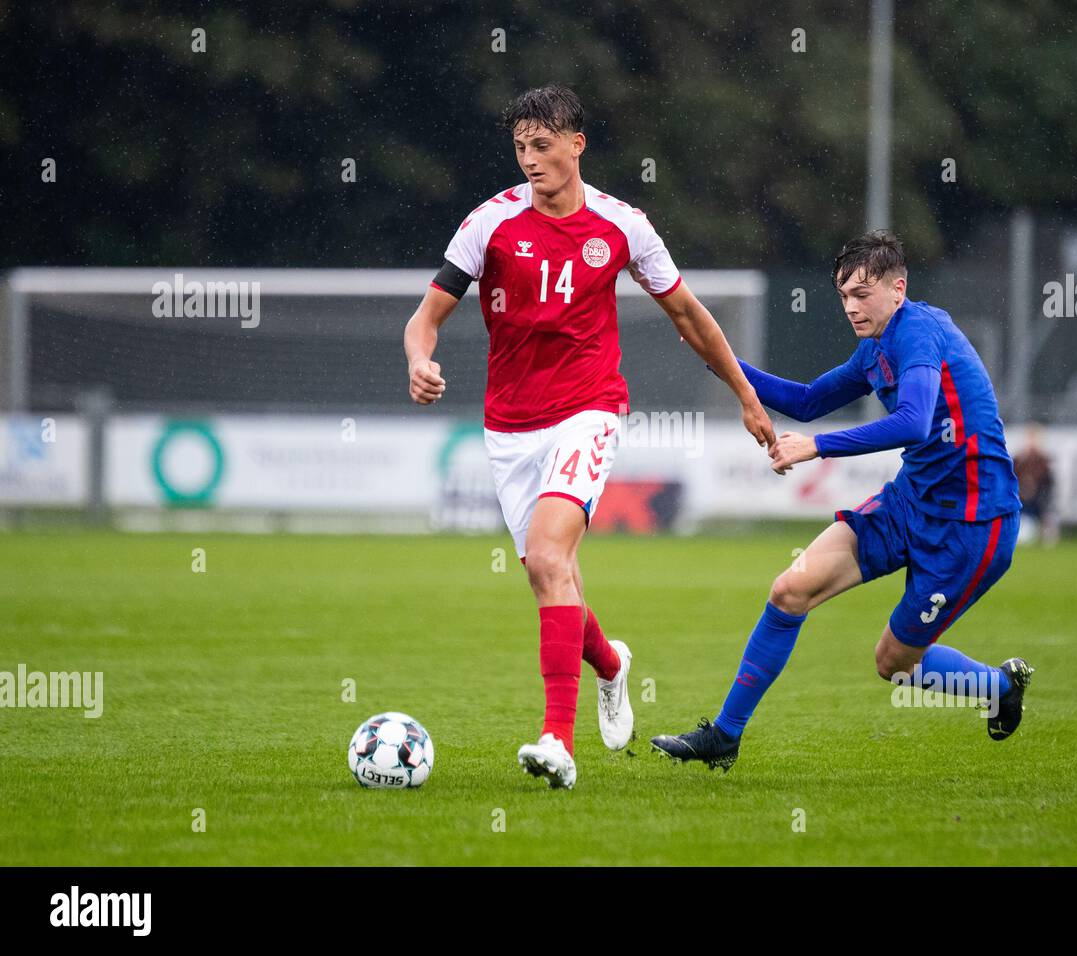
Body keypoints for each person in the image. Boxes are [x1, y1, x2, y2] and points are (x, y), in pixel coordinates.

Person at [403, 85, 775, 788]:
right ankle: (610, 664)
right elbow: (425, 318)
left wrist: (747, 398)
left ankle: (556, 740)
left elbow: (690, 316)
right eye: (520, 148)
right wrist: (420, 359)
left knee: (548, 559)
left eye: (542, 146)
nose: (529, 161)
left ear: (577, 144)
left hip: (589, 408)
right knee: (554, 576)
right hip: (509, 427)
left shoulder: (623, 226)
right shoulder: (488, 224)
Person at [651, 231, 1029, 772]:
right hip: (910, 503)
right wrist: (723, 362)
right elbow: (807, 402)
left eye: (863, 293)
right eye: (844, 295)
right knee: (790, 589)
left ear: (898, 289)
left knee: (895, 664)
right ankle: (725, 736)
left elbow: (915, 422)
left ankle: (998, 687)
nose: (851, 306)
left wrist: (818, 449)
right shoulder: (875, 347)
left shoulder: (919, 332)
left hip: (973, 525)